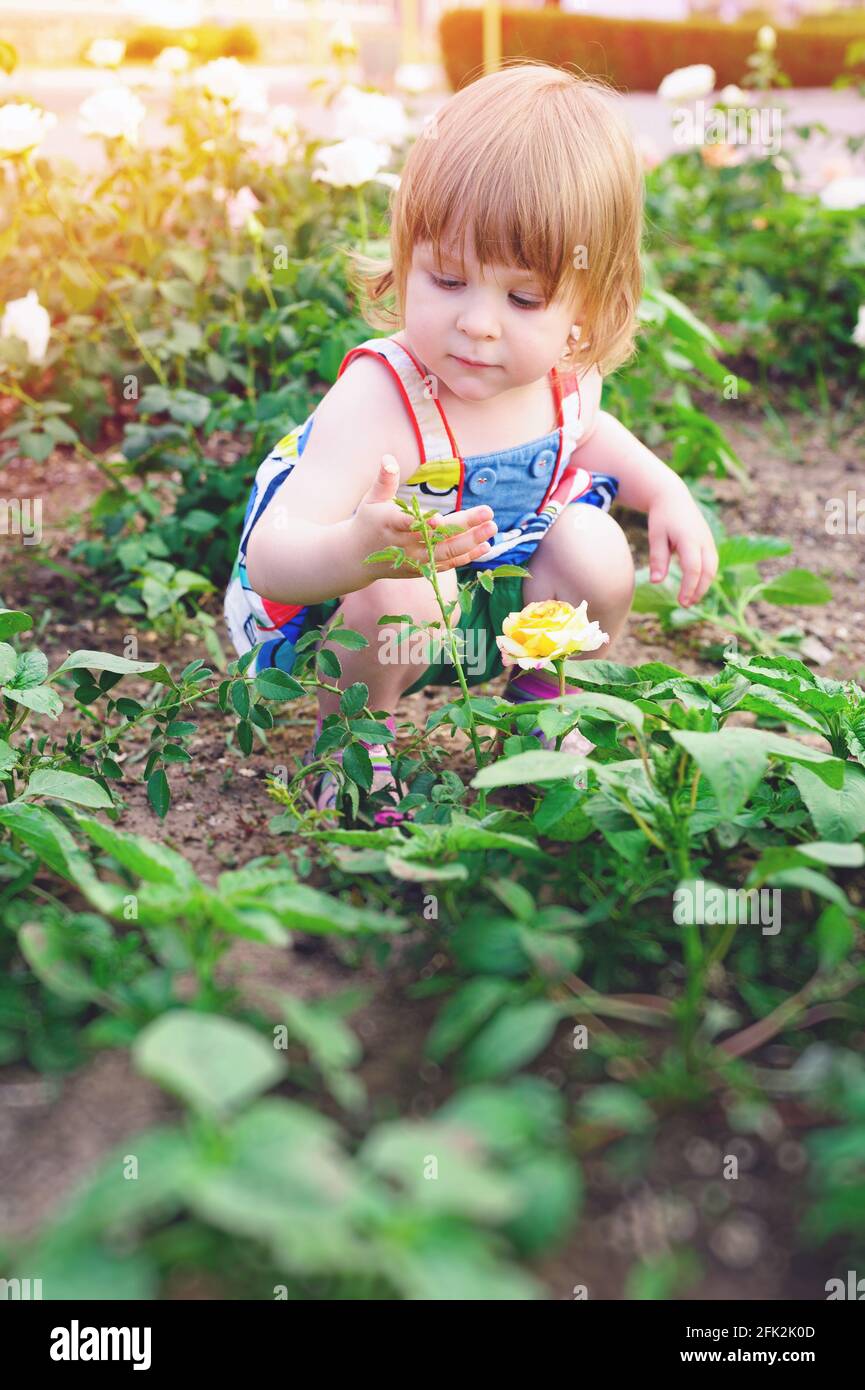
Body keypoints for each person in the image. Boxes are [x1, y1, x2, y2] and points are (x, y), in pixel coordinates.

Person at [223, 61, 718, 820]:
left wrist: (666, 493)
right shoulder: (379, 398)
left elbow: (590, 437)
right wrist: (356, 548)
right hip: (360, 616)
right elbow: (272, 557)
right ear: (404, 259)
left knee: (594, 547)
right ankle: (355, 734)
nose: (478, 323)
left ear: (587, 306)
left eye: (523, 297)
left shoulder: (559, 377)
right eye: (447, 280)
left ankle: (539, 707)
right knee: (404, 582)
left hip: (494, 599)